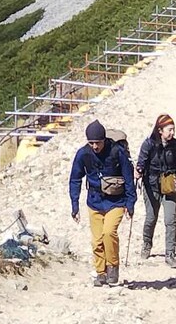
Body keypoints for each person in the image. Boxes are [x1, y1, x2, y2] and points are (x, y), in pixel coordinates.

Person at [68, 119, 134, 286]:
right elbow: (75, 179)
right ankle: (101, 273)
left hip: (116, 201)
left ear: (104, 139)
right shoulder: (83, 154)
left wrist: (130, 203)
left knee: (108, 232)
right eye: (91, 143)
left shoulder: (117, 152)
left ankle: (113, 266)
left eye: (98, 142)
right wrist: (75, 205)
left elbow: (128, 177)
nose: (95, 146)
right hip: (95, 201)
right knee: (96, 240)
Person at [136, 115, 176, 268]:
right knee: (151, 218)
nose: (172, 133)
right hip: (152, 186)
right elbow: (141, 163)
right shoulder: (148, 144)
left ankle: (170, 254)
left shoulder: (175, 145)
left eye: (173, 129)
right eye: (169, 130)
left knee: (171, 221)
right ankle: (147, 244)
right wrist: (138, 171)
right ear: (160, 130)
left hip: (170, 186)